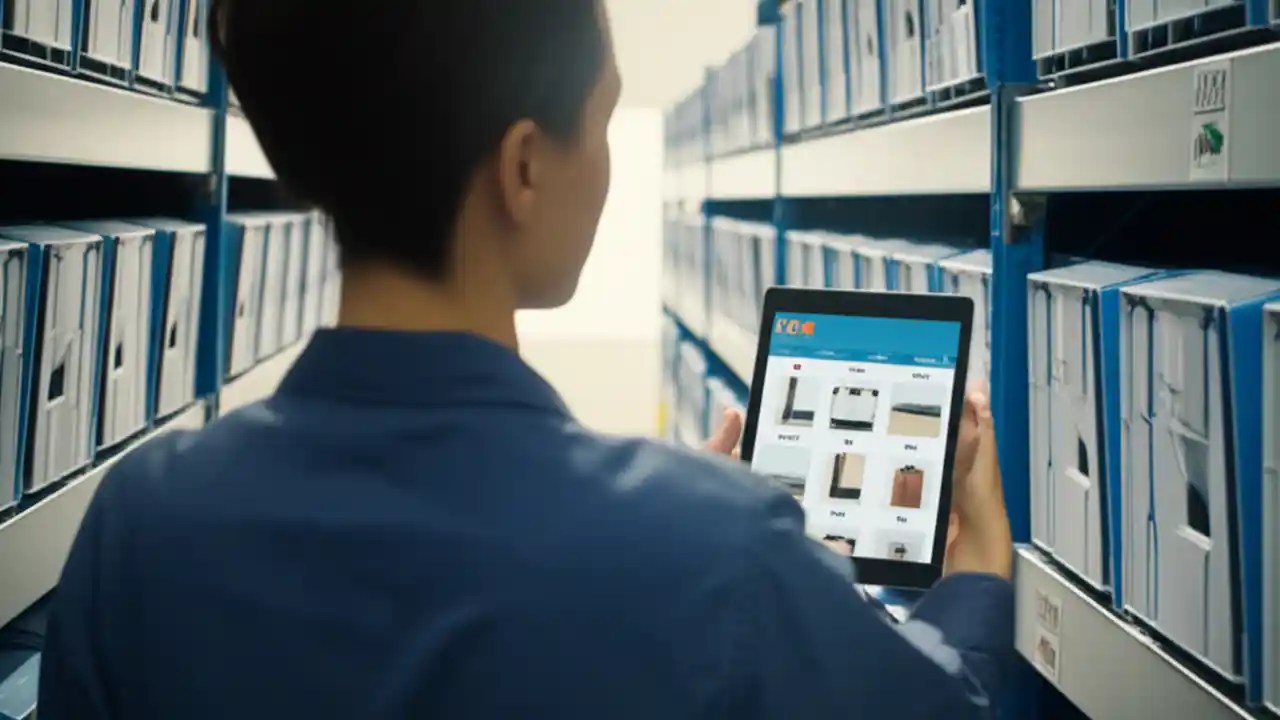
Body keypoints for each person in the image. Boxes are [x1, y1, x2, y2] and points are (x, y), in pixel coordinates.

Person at [38, 1, 1015, 717]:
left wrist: (682, 520)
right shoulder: (721, 552)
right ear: (522, 167)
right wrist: (974, 563)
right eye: (599, 122)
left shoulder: (141, 520)